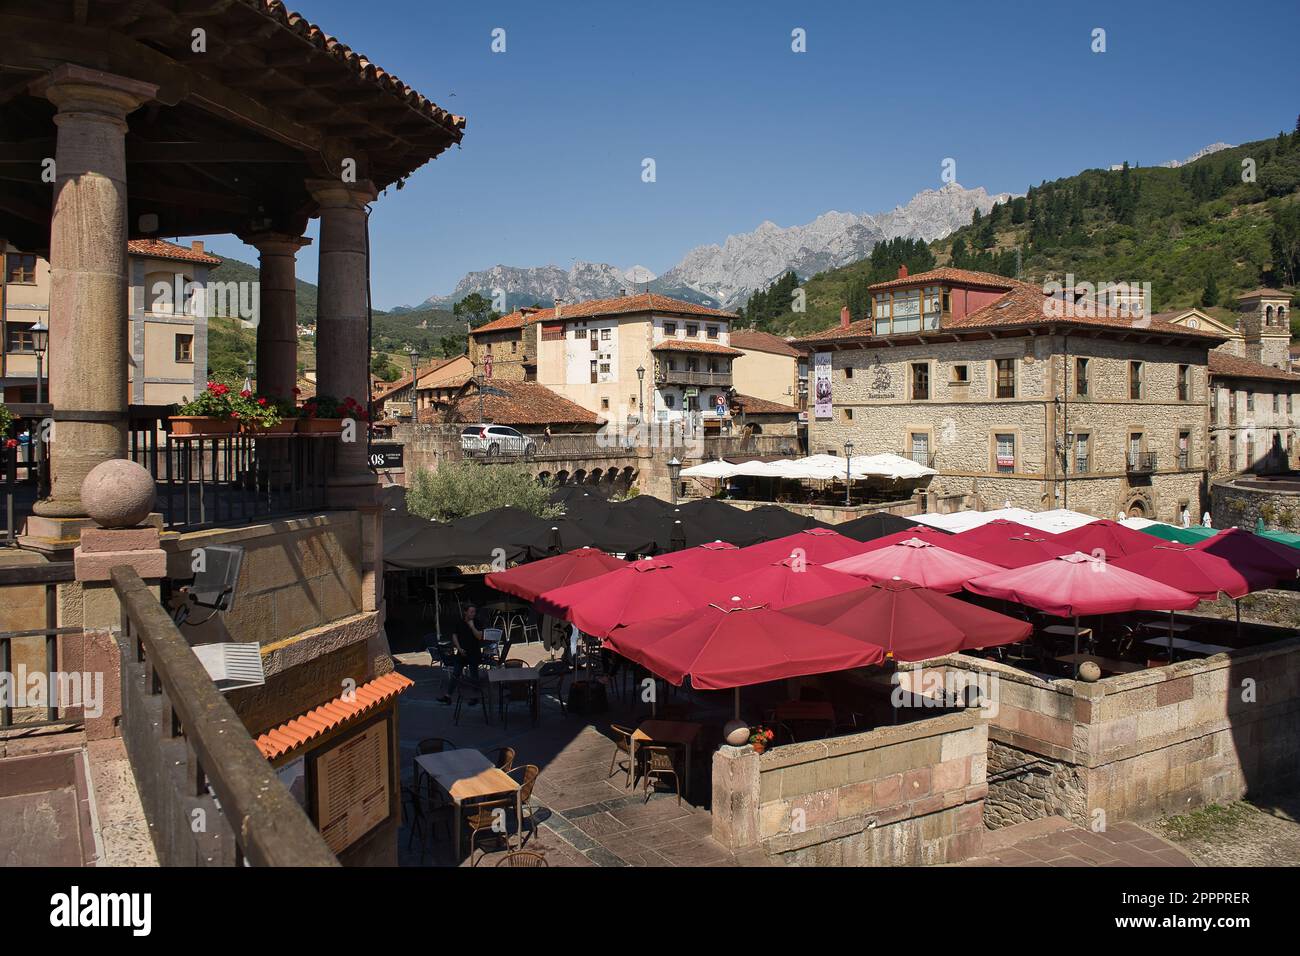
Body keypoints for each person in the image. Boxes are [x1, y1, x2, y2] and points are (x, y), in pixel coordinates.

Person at [437, 603, 483, 705]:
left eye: (474, 612)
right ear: (465, 612)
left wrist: (472, 627)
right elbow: (454, 635)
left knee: (474, 675)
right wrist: (459, 648)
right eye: (471, 611)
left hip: (474, 653)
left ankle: (475, 697)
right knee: (455, 674)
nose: (473, 614)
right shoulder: (459, 622)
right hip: (461, 653)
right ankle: (448, 696)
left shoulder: (477, 622)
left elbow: (479, 636)